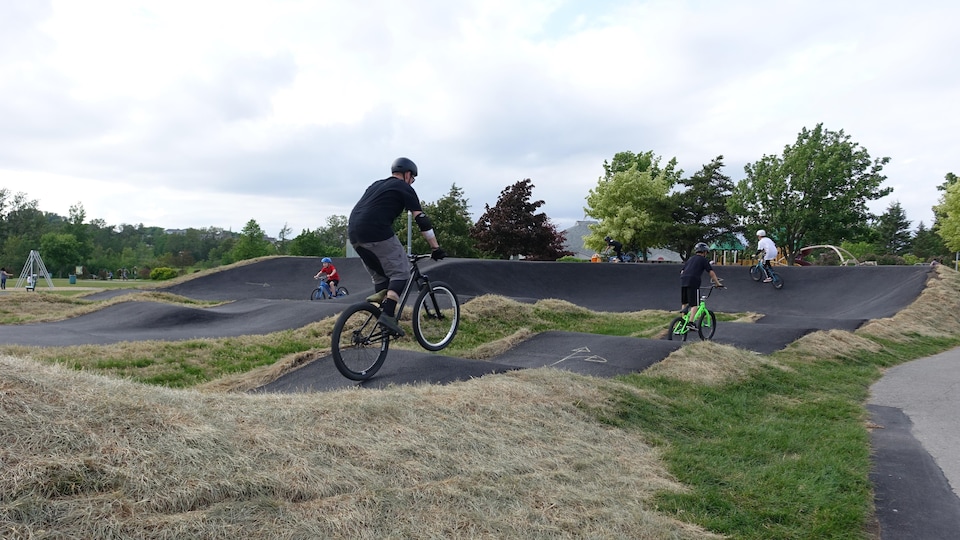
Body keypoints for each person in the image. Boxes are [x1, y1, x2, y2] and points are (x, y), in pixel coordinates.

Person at [348, 157, 446, 337]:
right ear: (407, 174)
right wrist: (435, 248)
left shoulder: (376, 185)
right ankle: (387, 316)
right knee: (401, 272)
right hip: (376, 230)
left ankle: (382, 319)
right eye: (413, 178)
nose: (412, 182)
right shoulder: (404, 187)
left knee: (383, 277)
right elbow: (421, 219)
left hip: (354, 233)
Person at [679, 242, 723, 325]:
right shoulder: (703, 260)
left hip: (683, 280)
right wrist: (718, 283)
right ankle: (691, 323)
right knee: (695, 304)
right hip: (693, 282)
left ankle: (683, 321)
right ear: (704, 252)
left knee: (684, 302)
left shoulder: (690, 259)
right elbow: (711, 272)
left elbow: (682, 271)